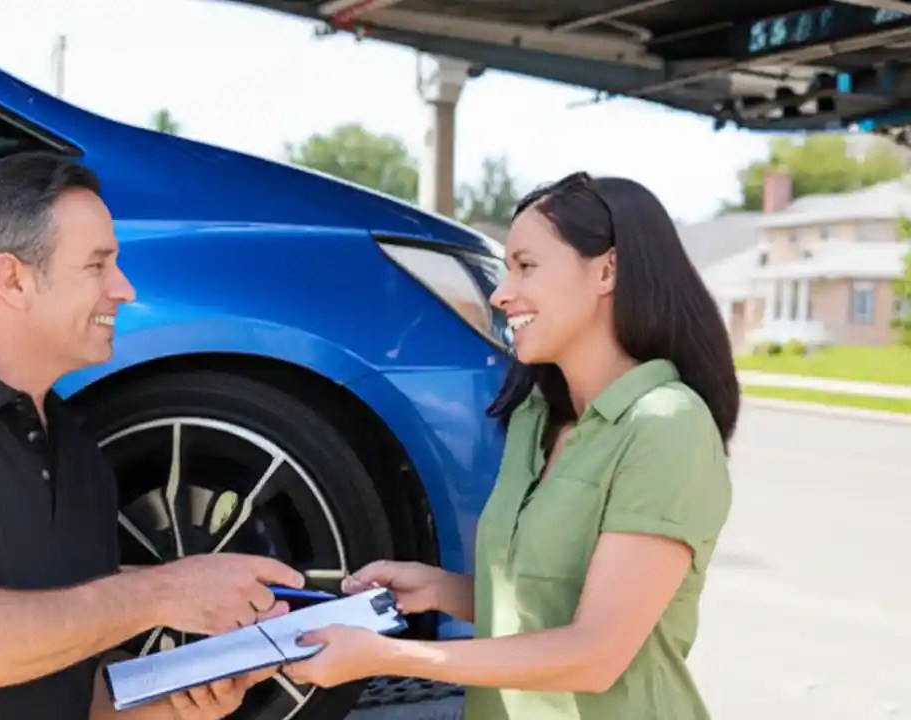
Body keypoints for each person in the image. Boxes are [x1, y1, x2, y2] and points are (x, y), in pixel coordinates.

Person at [0, 151, 305, 720]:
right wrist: (166, 591)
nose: (125, 289)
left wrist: (175, 703)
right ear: (12, 279)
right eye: (97, 265)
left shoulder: (77, 452)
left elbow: (70, 688)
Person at [282, 172, 739, 720]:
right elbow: (547, 606)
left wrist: (391, 655)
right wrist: (444, 591)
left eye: (526, 266)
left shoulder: (666, 425)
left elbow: (594, 654)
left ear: (606, 270)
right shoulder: (535, 417)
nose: (501, 294)